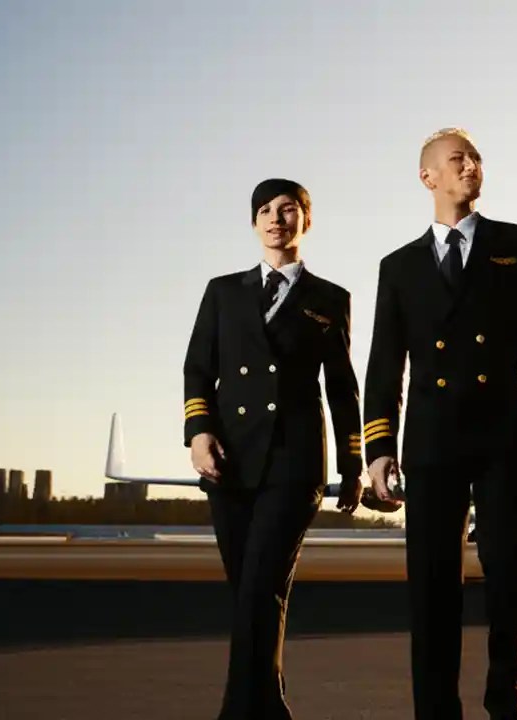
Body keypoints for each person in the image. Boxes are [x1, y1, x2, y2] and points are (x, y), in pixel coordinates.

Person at [363, 128, 517, 719]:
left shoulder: (516, 244)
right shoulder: (398, 266)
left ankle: (503, 694)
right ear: (427, 177)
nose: (472, 165)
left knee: (511, 571)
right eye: (458, 158)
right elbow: (385, 365)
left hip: (503, 435)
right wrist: (379, 447)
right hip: (430, 442)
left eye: (477, 157)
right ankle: (436, 710)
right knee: (432, 582)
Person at [183, 178, 363, 719]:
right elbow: (197, 368)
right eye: (265, 209)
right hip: (228, 463)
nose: (275, 218)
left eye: (288, 210)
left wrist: (353, 464)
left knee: (260, 591)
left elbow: (342, 388)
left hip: (292, 462)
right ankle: (269, 708)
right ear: (253, 222)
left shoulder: (329, 300)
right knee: (254, 597)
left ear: (306, 221)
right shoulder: (223, 291)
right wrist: (198, 433)